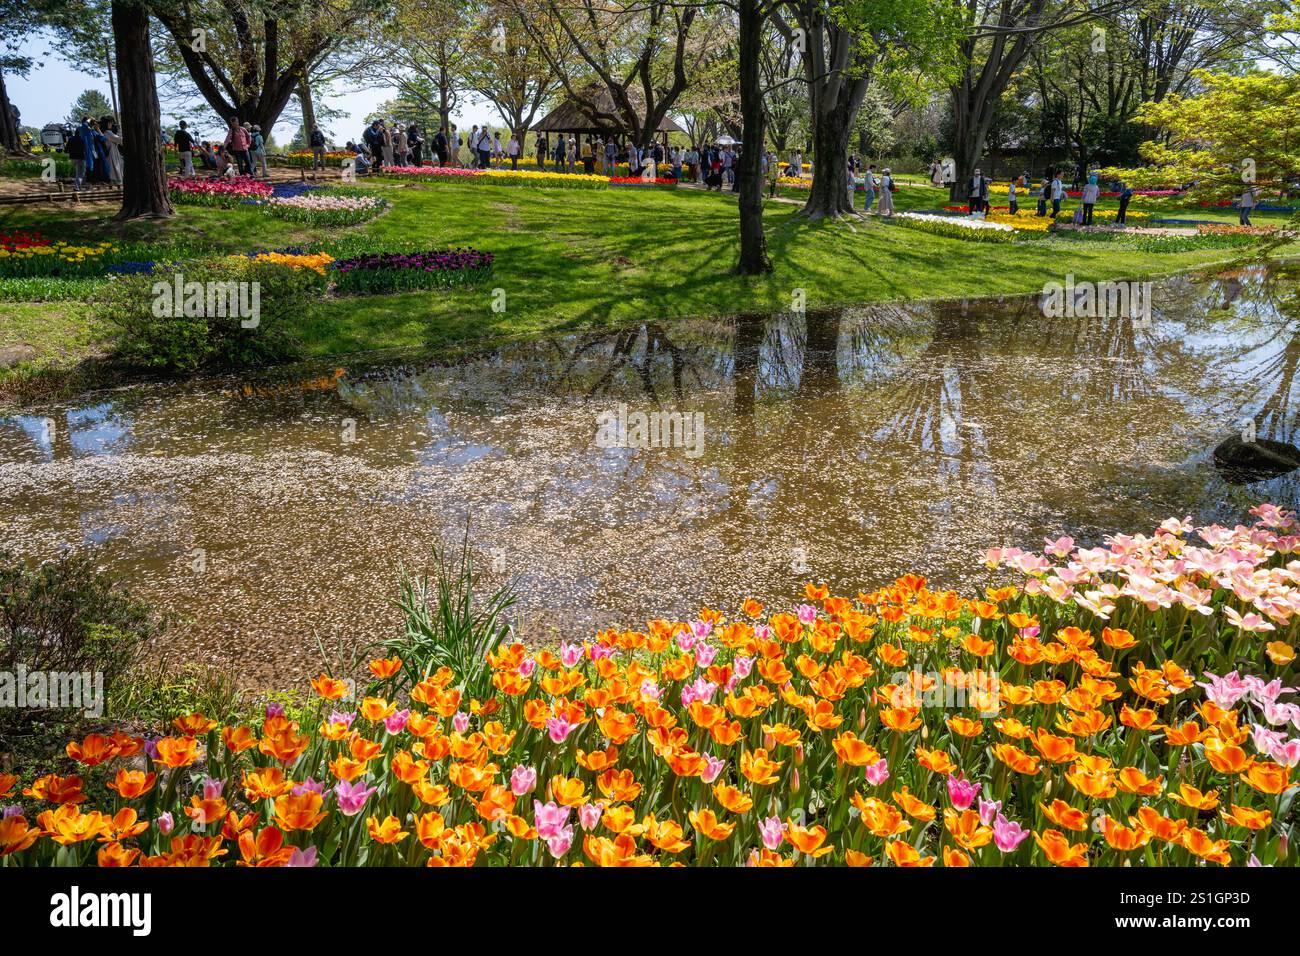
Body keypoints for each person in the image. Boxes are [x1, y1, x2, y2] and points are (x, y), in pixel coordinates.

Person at [101, 117, 123, 185]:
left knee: (115, 168)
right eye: (110, 123)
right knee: (114, 168)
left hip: (112, 152)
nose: (111, 124)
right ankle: (115, 183)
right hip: (112, 153)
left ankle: (115, 182)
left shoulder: (106, 132)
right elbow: (119, 140)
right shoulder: (108, 133)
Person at [66, 123, 87, 187]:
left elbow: (67, 149)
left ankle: (81, 185)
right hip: (80, 158)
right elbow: (85, 149)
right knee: (80, 173)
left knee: (79, 172)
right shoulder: (82, 139)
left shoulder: (71, 139)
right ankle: (77, 187)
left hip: (72, 158)